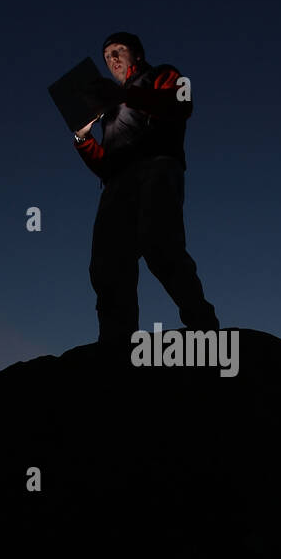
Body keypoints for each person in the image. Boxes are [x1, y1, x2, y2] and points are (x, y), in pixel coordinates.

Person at [72, 31, 221, 350]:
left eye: (117, 50)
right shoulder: (109, 108)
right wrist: (84, 138)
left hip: (157, 166)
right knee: (107, 263)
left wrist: (125, 97)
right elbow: (106, 164)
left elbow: (180, 106)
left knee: (159, 242)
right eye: (106, 55)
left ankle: (201, 322)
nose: (111, 58)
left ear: (136, 54)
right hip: (117, 184)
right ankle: (116, 341)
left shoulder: (163, 74)